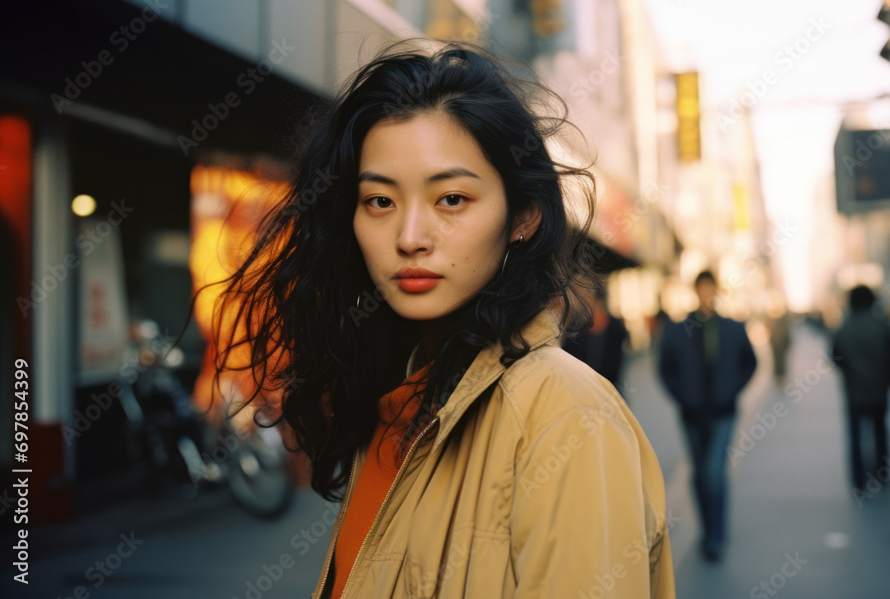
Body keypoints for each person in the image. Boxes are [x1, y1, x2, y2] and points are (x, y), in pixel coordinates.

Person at [200, 41, 676, 598]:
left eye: (451, 199)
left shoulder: (564, 415)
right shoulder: (396, 399)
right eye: (380, 201)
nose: (409, 238)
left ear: (522, 216)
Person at [657, 270, 757, 561]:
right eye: (701, 289)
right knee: (700, 473)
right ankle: (707, 530)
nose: (706, 294)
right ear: (695, 291)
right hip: (691, 413)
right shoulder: (678, 328)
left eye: (710, 289)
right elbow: (665, 368)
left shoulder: (732, 327)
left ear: (716, 291)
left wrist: (732, 390)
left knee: (714, 471)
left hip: (723, 411)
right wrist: (682, 396)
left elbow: (749, 362)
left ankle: (716, 536)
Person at [831, 285, 890, 493]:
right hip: (880, 389)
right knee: (880, 431)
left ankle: (859, 481)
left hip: (854, 392)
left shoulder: (844, 329)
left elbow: (836, 357)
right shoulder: (882, 327)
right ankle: (882, 473)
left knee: (855, 438)